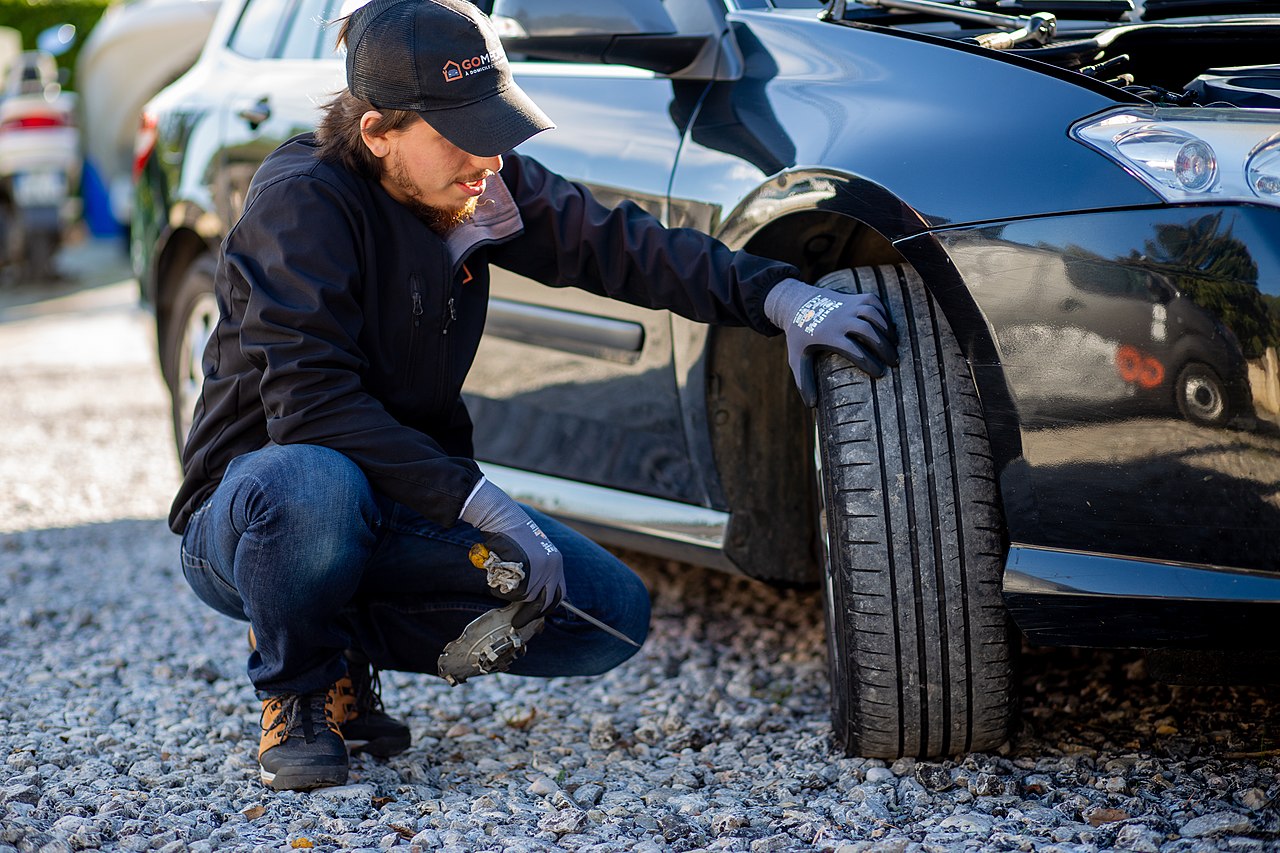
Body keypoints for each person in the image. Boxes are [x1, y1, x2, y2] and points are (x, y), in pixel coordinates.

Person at [170, 0, 898, 792]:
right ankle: (299, 689)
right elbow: (310, 408)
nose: (487, 160)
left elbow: (626, 246)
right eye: (460, 136)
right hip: (253, 514)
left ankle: (336, 634)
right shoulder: (303, 199)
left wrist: (781, 298)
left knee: (602, 617)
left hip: (395, 498)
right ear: (379, 132)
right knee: (314, 482)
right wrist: (484, 505)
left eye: (494, 127)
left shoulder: (478, 181)